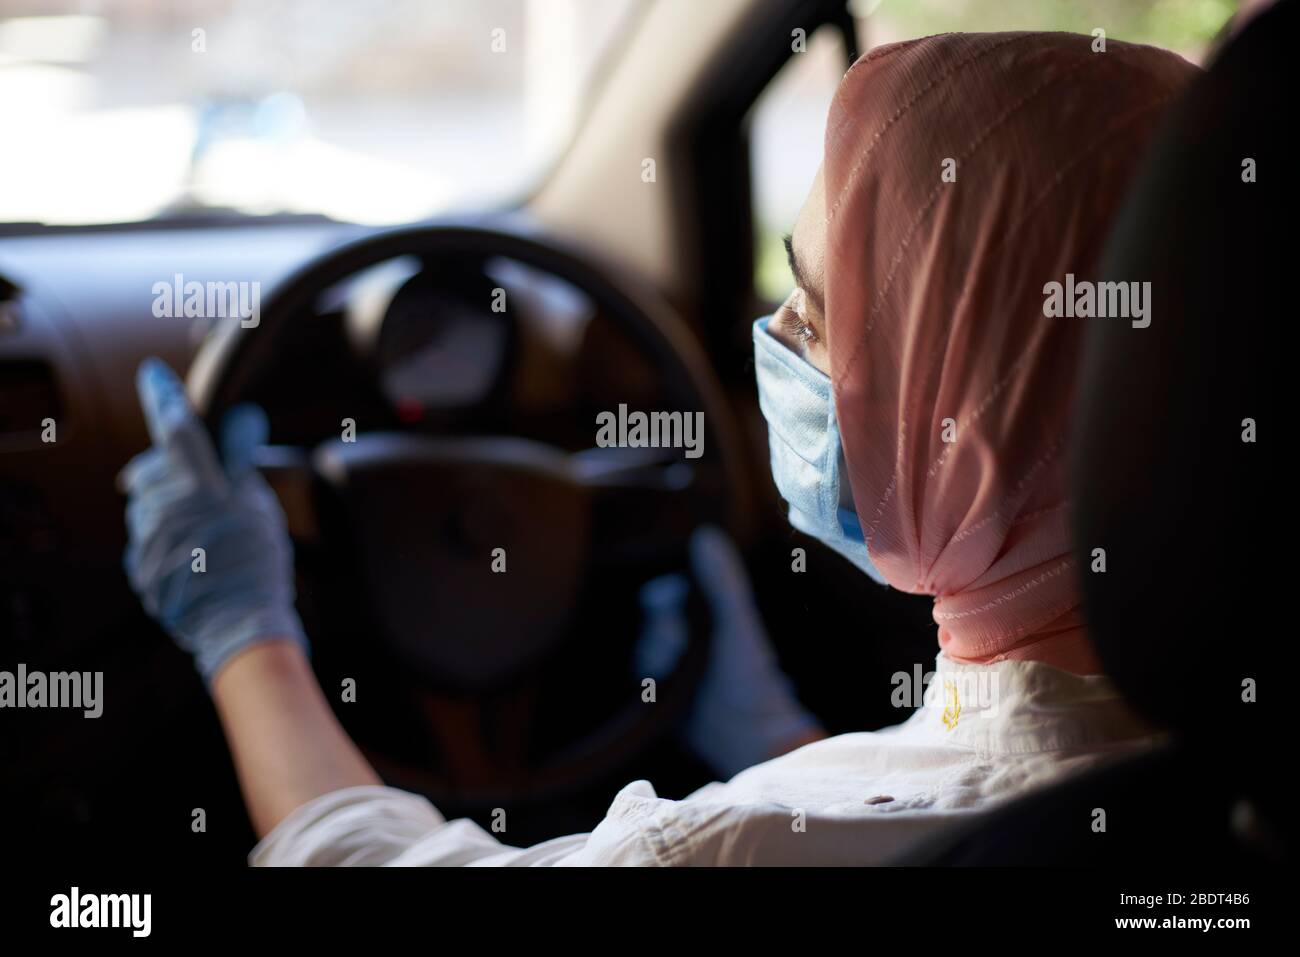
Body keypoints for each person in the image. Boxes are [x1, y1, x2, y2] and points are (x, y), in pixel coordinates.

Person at [122, 32, 1197, 866]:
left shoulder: (733, 849)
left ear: (975, 431)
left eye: (818, 316)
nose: (775, 344)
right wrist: (776, 738)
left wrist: (244, 630)